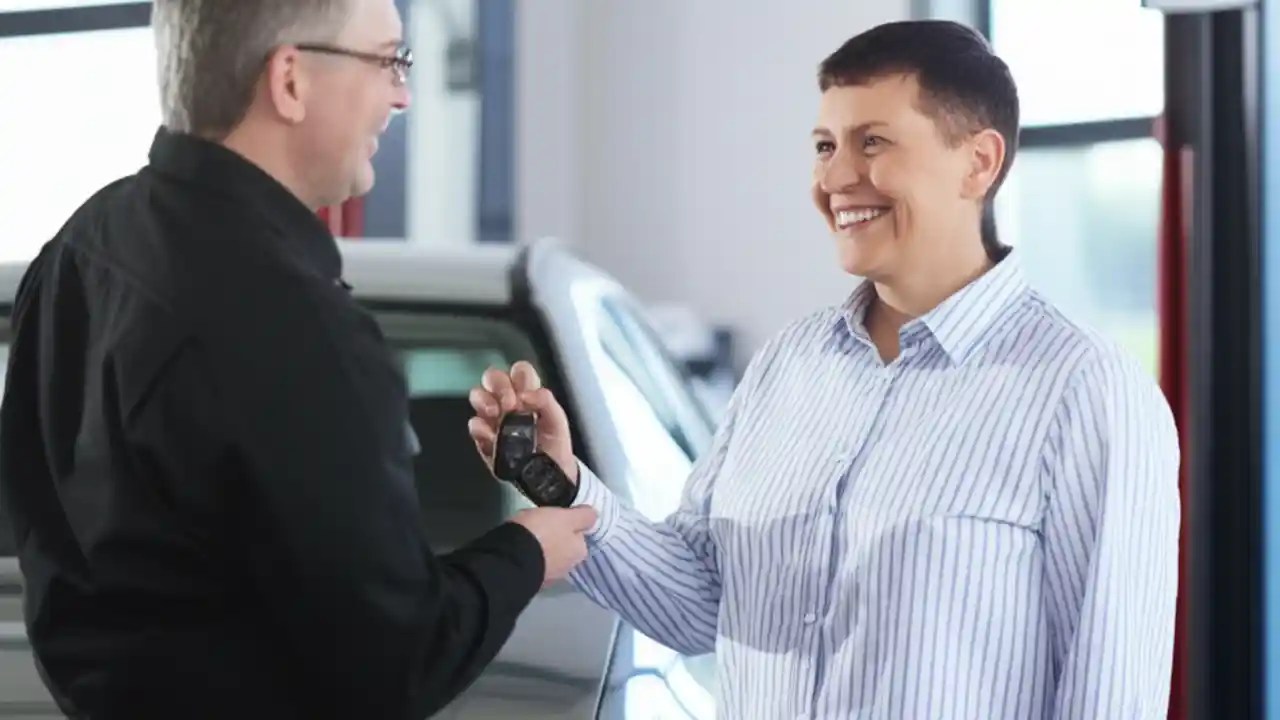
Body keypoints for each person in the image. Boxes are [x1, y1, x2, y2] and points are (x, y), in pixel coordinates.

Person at [468, 19, 1180, 719]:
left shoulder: (1085, 392)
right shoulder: (788, 367)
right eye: (824, 146)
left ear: (979, 163)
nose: (834, 179)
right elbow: (699, 605)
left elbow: (1110, 695)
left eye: (873, 143)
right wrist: (560, 482)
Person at [0, 0, 597, 717]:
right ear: (290, 81)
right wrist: (527, 552)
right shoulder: (300, 328)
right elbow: (395, 662)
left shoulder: (81, 247)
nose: (402, 96)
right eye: (388, 61)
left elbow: (42, 534)